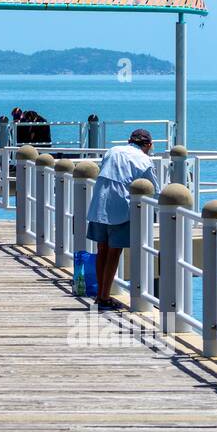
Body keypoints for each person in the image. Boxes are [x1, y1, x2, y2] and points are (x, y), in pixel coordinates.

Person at [86, 128, 158, 309]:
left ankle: (100, 295)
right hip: (121, 207)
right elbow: (153, 190)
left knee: (101, 249)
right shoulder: (145, 160)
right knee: (114, 251)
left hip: (99, 201)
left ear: (129, 140)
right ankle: (104, 297)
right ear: (148, 145)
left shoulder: (113, 151)